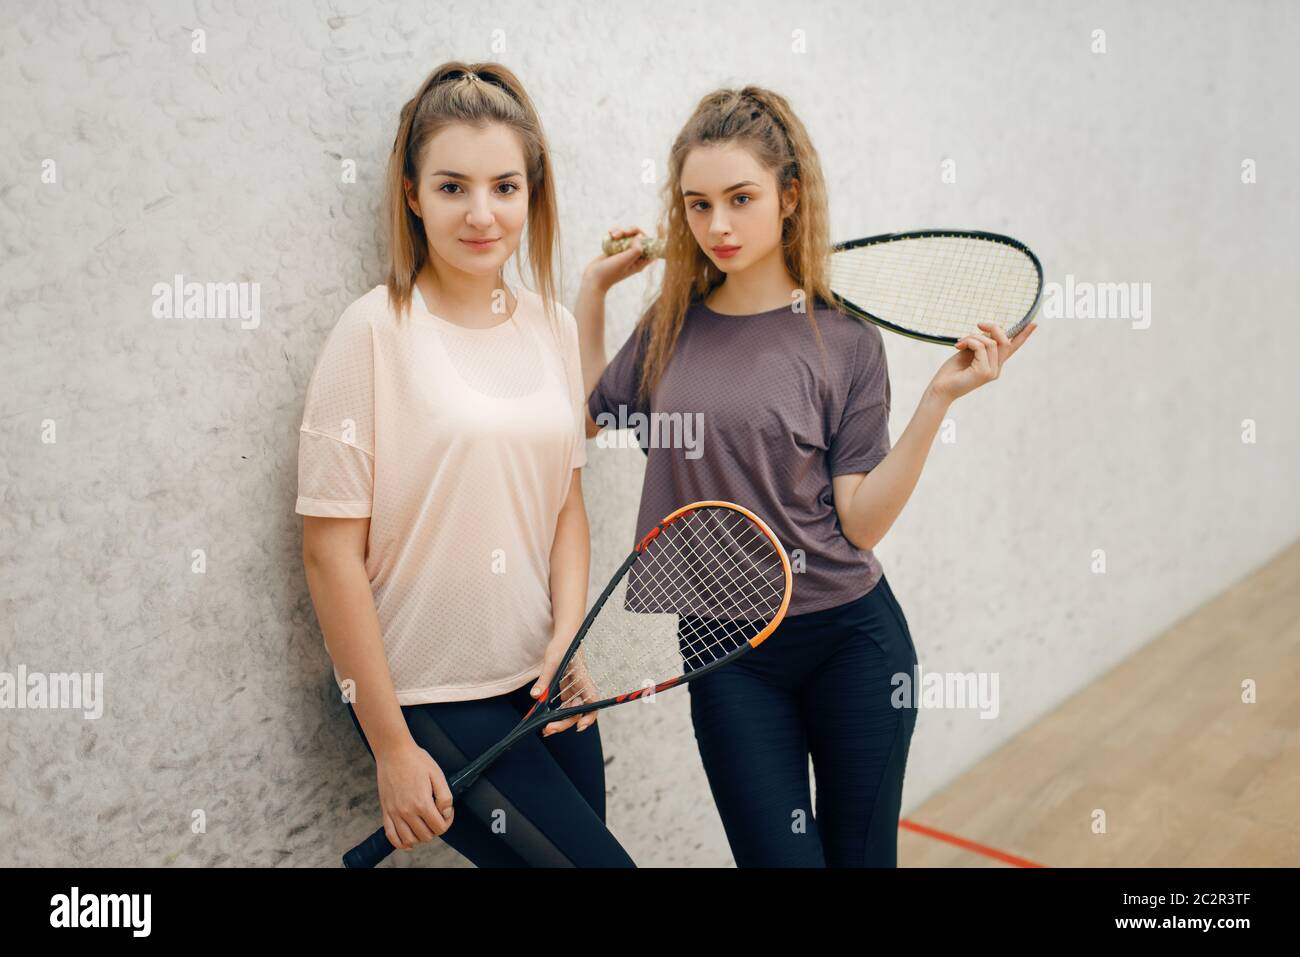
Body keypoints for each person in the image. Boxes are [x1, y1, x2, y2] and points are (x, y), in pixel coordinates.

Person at [577, 85, 1036, 866]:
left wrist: (937, 403)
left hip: (850, 641)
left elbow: (858, 524)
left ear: (788, 197)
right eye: (696, 204)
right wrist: (592, 293)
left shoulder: (845, 341)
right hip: (724, 650)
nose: (716, 225)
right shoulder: (670, 323)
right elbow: (596, 415)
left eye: (740, 198)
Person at [297, 61, 634, 867]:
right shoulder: (372, 331)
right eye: (452, 187)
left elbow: (566, 507)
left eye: (505, 187)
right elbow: (327, 551)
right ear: (412, 194)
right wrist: (389, 744)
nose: (482, 214)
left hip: (545, 684)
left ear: (531, 194)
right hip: (427, 699)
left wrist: (565, 638)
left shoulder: (553, 327)